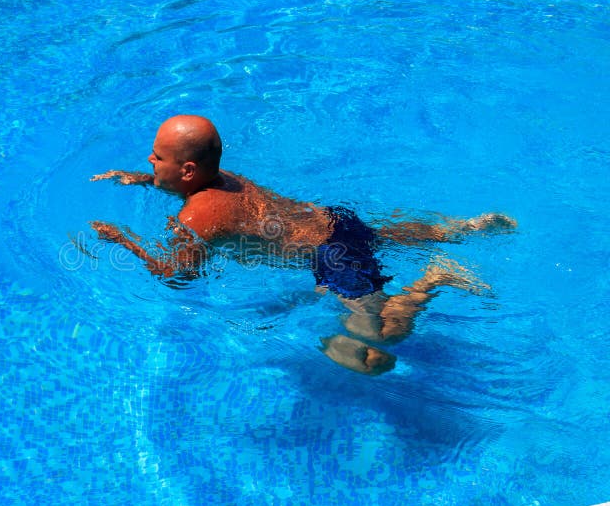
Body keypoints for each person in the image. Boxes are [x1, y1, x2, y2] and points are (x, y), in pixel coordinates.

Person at [85, 115, 516, 375]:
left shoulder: (199, 216)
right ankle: (460, 228)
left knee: (377, 343)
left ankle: (434, 277)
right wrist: (142, 180)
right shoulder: (223, 179)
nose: (149, 161)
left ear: (188, 169)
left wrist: (123, 240)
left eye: (156, 158)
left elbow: (179, 277)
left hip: (331, 259)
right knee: (385, 236)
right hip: (334, 220)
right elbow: (187, 186)